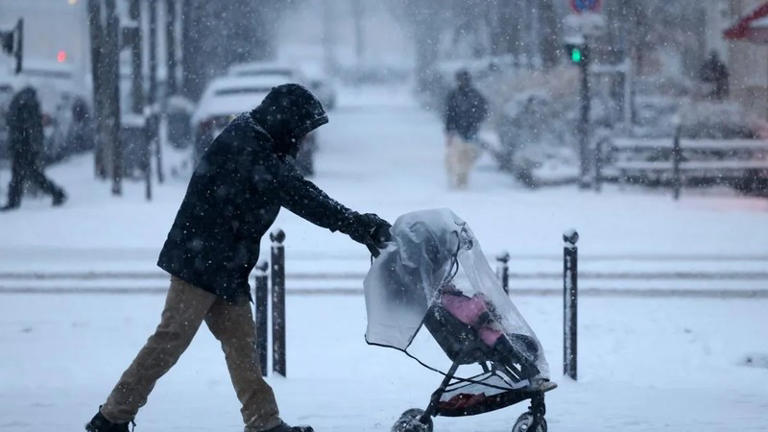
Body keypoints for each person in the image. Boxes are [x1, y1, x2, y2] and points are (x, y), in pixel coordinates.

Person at [85, 84, 392, 432]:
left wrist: (359, 224)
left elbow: (298, 188)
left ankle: (263, 422)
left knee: (241, 344)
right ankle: (111, 417)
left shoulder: (260, 139)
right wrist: (359, 225)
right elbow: (300, 195)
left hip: (225, 265)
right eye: (303, 131)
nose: (303, 140)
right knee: (170, 340)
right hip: (199, 262)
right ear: (287, 125)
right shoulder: (249, 146)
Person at [1, 87, 66, 211]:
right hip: (23, 145)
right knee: (21, 174)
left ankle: (57, 193)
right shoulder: (26, 103)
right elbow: (30, 126)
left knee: (29, 174)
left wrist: (28, 144)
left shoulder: (23, 103)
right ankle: (13, 201)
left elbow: (26, 126)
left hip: (23, 146)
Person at [443, 70, 488, 189]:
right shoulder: (454, 95)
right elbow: (449, 114)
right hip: (458, 132)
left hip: (470, 131)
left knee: (467, 157)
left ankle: (463, 178)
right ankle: (459, 177)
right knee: (458, 156)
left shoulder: (475, 95)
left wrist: (475, 123)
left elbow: (482, 111)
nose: (461, 82)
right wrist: (449, 130)